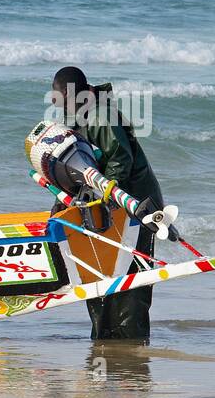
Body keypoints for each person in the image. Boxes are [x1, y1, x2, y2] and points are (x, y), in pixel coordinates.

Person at [51, 66, 164, 341]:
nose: (62, 108)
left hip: (136, 209)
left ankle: (132, 346)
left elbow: (118, 162)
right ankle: (106, 340)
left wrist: (101, 198)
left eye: (63, 101)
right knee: (100, 274)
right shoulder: (82, 115)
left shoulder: (102, 116)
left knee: (132, 283)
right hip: (107, 209)